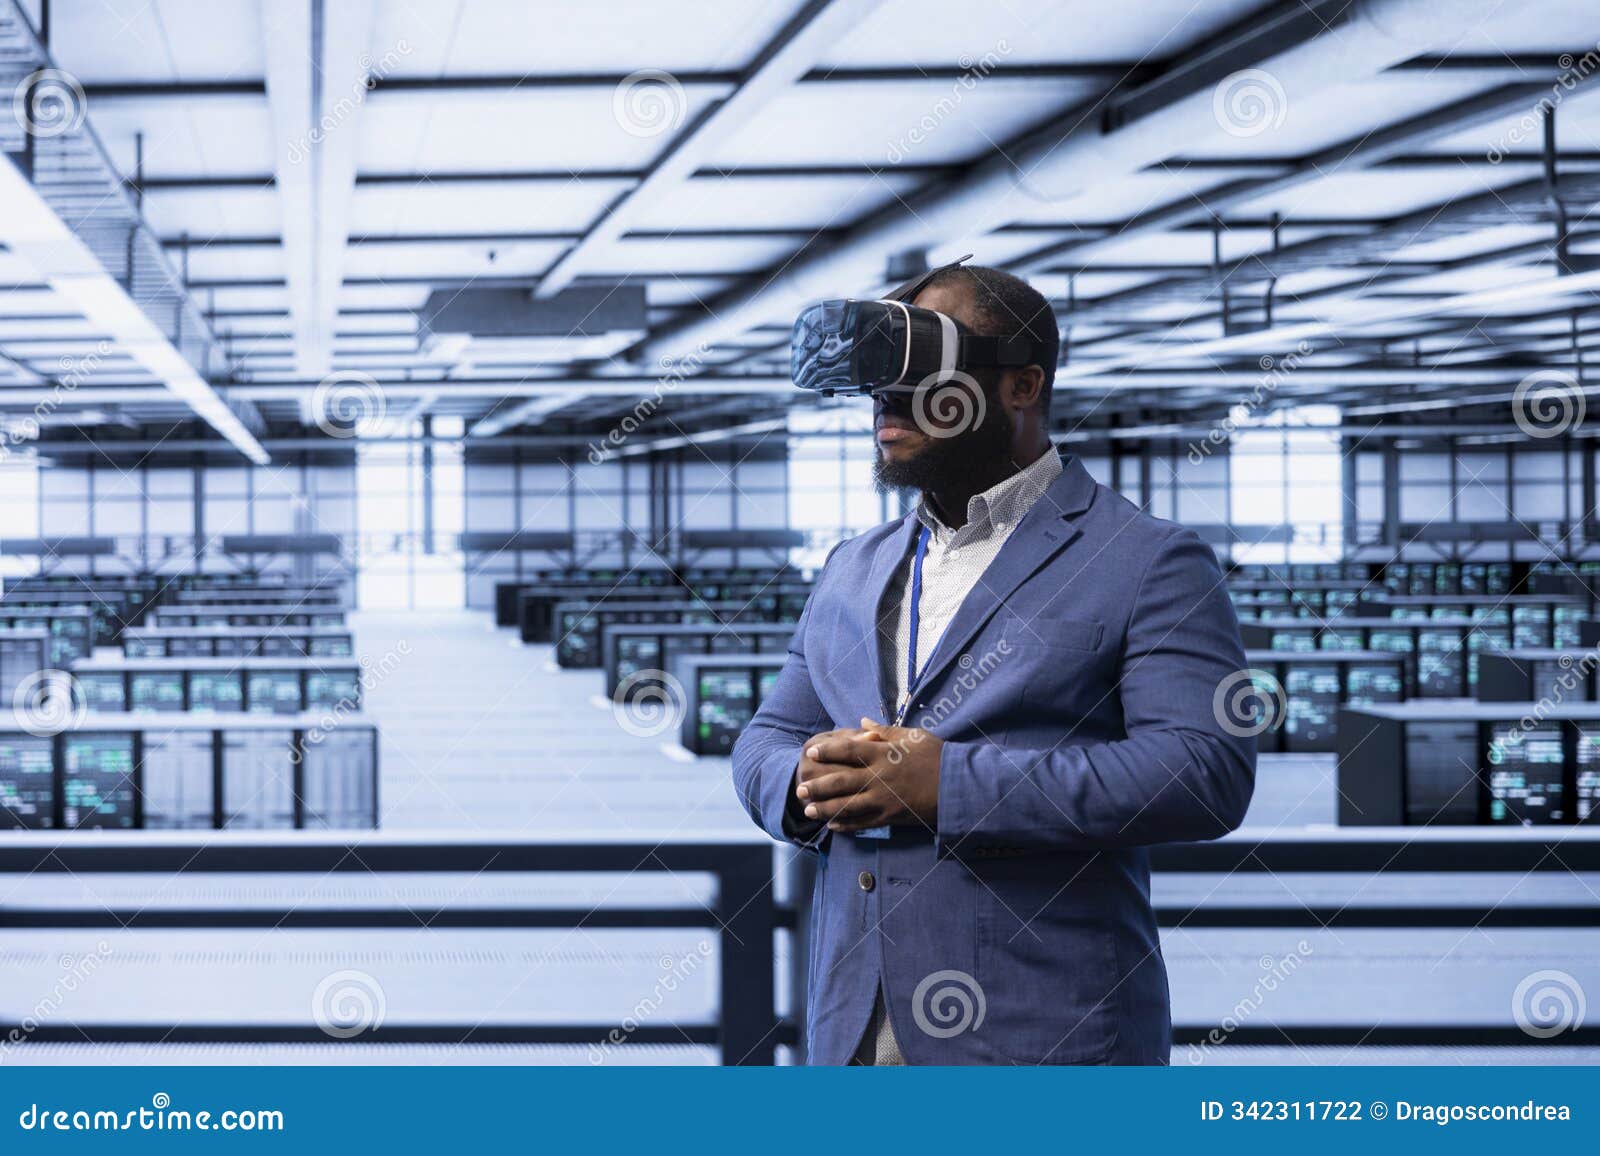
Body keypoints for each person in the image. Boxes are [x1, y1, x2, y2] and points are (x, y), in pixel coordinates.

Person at [731, 263, 1257, 1065]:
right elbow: (768, 735)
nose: (887, 402)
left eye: (922, 376)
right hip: (852, 1027)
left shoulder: (1149, 560)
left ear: (1021, 386)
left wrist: (945, 783)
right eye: (880, 382)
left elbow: (1203, 772)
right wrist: (804, 781)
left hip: (1043, 1037)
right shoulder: (852, 565)